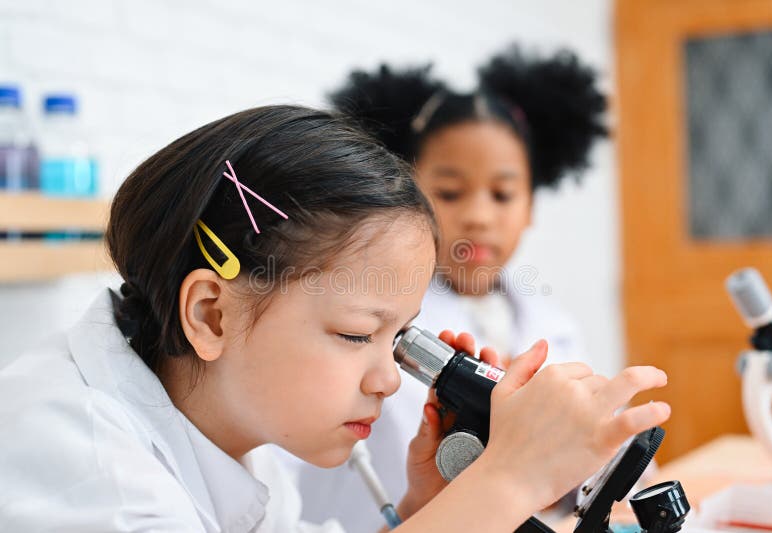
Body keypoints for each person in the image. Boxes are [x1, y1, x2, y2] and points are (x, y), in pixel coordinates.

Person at [0, 105, 669, 532]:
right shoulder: (90, 472)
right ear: (211, 313)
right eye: (356, 334)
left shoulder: (233, 431)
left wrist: (425, 508)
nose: (387, 379)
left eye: (400, 337)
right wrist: (508, 480)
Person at [292, 46, 609, 531]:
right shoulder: (368, 320)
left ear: (531, 206)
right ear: (405, 194)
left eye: (502, 194)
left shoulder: (554, 324)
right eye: (450, 192)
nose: (479, 217)